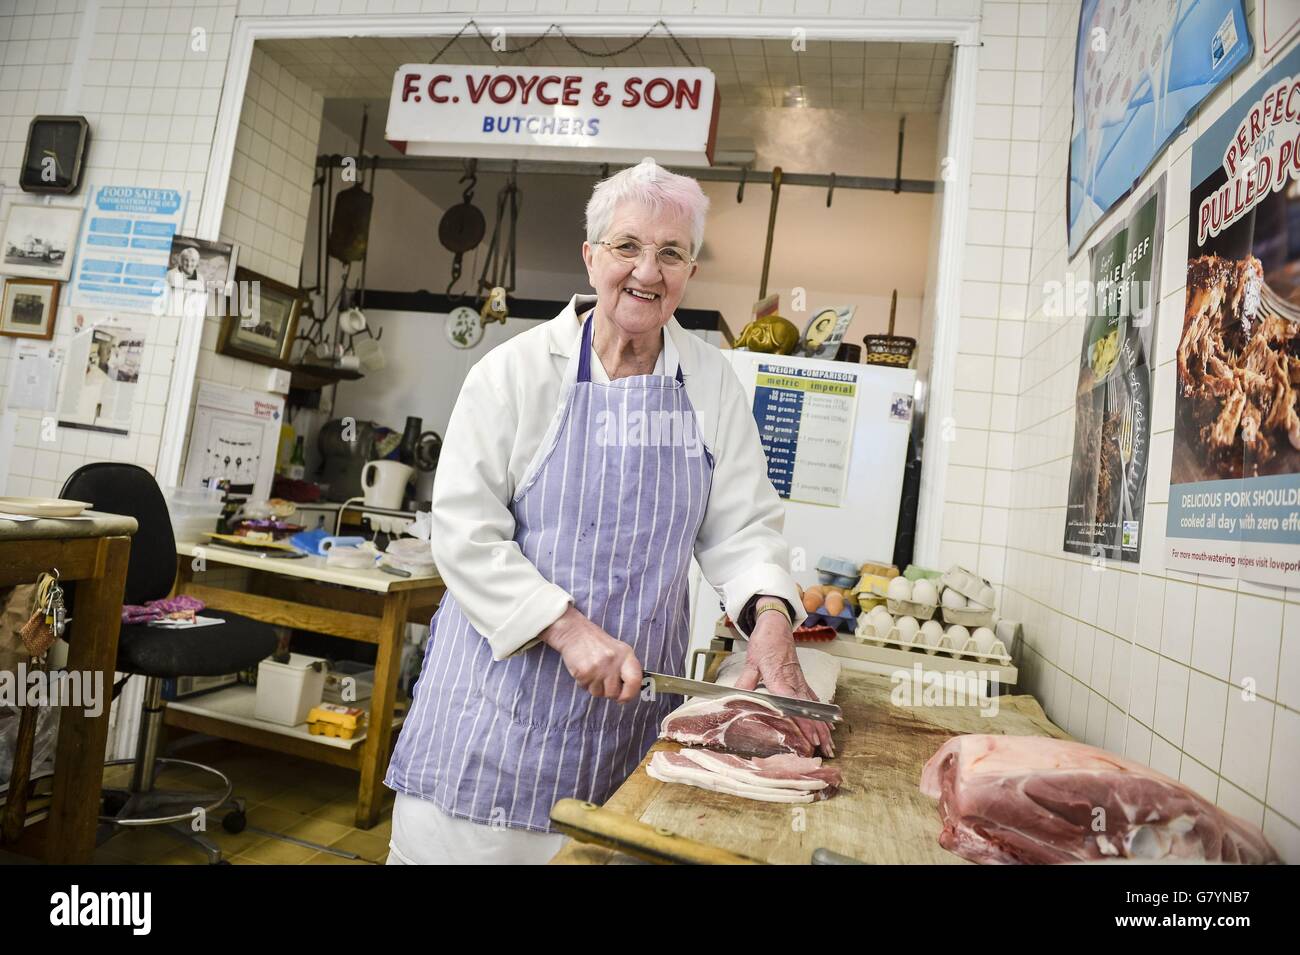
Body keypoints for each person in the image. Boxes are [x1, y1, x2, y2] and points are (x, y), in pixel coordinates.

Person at [385, 158, 830, 865]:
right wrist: (564, 627)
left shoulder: (710, 383)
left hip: (623, 738)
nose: (647, 272)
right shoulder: (513, 373)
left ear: (688, 271)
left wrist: (770, 622)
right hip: (487, 738)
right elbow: (466, 535)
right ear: (591, 258)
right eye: (627, 247)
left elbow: (743, 529)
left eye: (671, 253)